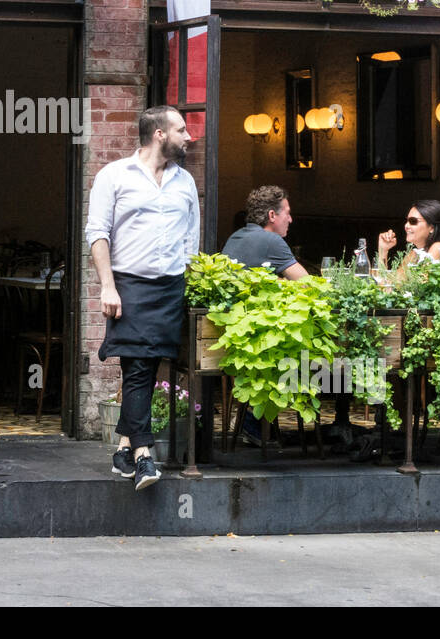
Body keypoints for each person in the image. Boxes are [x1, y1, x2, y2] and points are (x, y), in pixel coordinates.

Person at [86, 105, 199, 491]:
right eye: (182, 129)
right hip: (129, 284)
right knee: (137, 368)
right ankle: (143, 457)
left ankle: (122, 448)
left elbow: (190, 240)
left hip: (168, 287)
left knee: (147, 371)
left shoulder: (184, 182)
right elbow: (97, 233)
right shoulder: (114, 176)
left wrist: (186, 280)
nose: (189, 136)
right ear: (159, 135)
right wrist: (108, 285)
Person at [222, 185, 309, 280]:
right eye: (287, 213)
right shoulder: (271, 240)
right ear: (272, 215)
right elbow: (307, 284)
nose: (290, 219)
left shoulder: (235, 236)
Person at [377, 199, 440, 269]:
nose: (406, 226)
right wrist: (383, 250)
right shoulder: (413, 255)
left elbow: (423, 283)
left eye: (413, 221)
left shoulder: (439, 248)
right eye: (407, 221)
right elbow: (387, 284)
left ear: (431, 228)